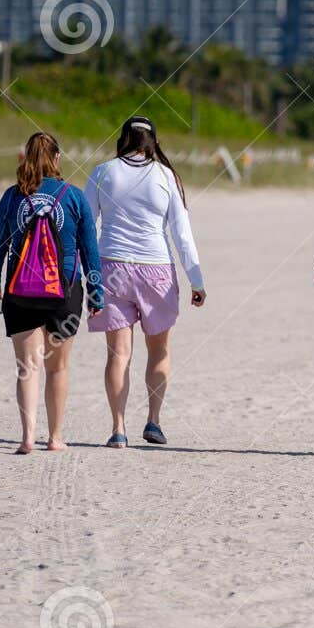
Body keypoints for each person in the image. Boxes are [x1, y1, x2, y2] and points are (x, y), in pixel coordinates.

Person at [84, 117, 206, 448]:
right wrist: (197, 280)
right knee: (160, 349)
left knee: (118, 354)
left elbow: (87, 227)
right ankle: (153, 421)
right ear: (153, 142)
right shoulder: (166, 176)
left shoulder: (103, 172)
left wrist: (86, 273)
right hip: (157, 271)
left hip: (112, 268)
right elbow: (182, 234)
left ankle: (118, 428)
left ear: (123, 139)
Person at [0, 132, 102, 454]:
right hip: (64, 293)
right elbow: (90, 250)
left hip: (19, 292)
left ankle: (27, 437)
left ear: (25, 158)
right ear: (58, 159)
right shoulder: (74, 197)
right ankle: (55, 437)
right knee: (58, 368)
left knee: (27, 367)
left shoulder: (12, 197)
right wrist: (96, 294)